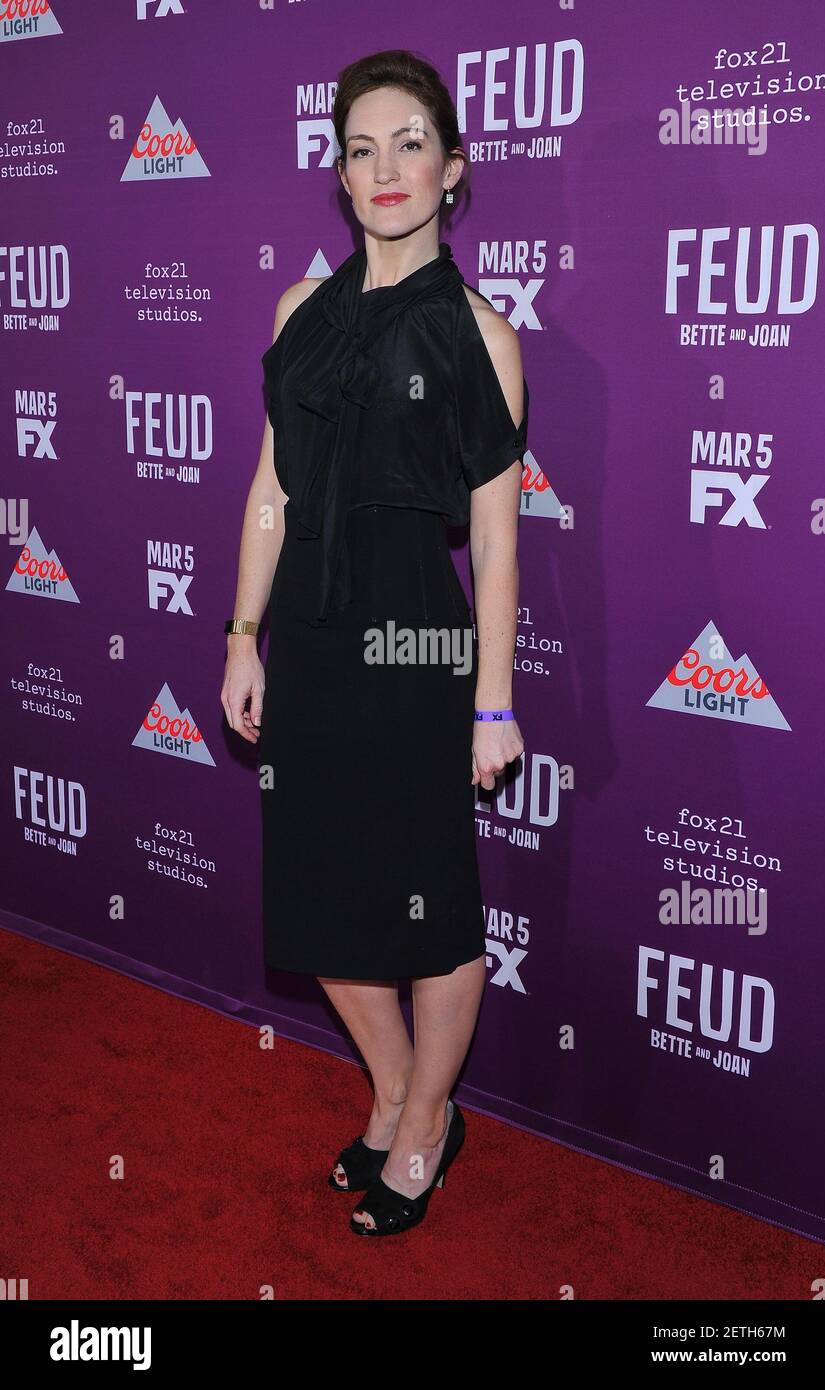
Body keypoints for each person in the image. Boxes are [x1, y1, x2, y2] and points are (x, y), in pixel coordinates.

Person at [221, 49, 529, 1237]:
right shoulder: (299, 313)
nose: (384, 166)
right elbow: (269, 490)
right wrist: (243, 634)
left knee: (431, 910)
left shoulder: (478, 335)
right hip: (304, 637)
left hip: (413, 652)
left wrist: (492, 705)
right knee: (319, 900)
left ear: (451, 172)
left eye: (410, 142)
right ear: (340, 176)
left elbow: (496, 547)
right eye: (360, 146)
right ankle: (402, 1094)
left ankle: (425, 1116)